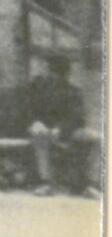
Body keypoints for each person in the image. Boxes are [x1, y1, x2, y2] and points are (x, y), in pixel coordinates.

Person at [22, 54, 90, 195]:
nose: (50, 75)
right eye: (49, 71)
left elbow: (78, 117)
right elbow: (26, 109)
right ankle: (46, 182)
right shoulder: (36, 87)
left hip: (66, 130)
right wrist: (36, 122)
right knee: (39, 134)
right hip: (40, 127)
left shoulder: (72, 91)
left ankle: (92, 183)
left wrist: (60, 129)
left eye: (55, 72)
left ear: (63, 74)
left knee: (97, 138)